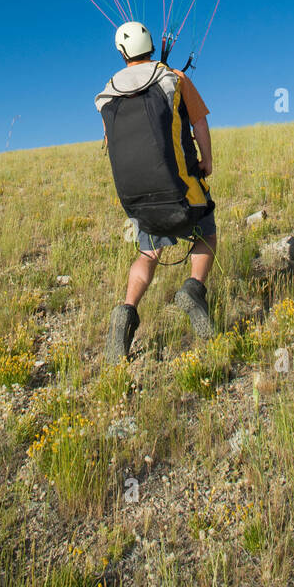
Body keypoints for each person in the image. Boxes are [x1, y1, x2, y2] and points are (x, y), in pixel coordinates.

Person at [96, 21, 216, 362]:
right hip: (180, 191)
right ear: (150, 44)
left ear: (122, 53)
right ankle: (194, 289)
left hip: (139, 198)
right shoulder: (175, 78)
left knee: (148, 254)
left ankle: (125, 311)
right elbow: (200, 123)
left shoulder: (108, 92)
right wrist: (206, 160)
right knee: (206, 231)